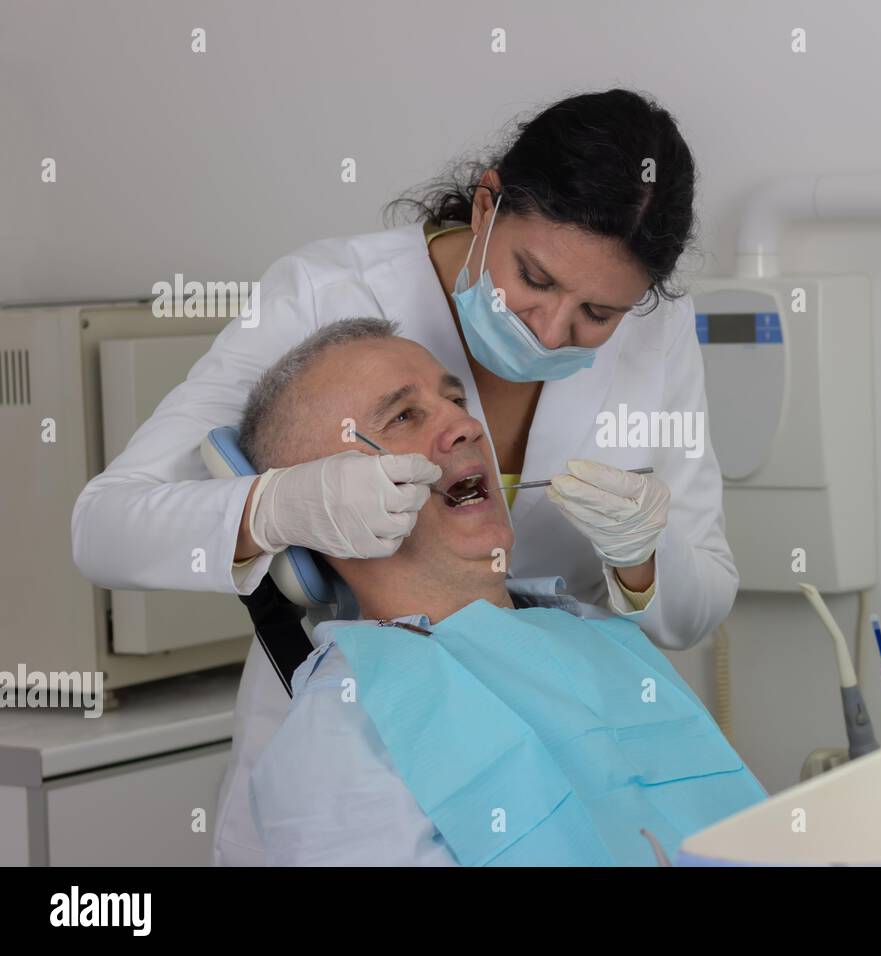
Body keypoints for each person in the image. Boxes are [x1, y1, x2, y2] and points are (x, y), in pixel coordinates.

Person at [68, 89, 738, 865]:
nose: (552, 329)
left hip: (569, 728)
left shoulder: (658, 333)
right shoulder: (331, 292)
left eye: (597, 313)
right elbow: (104, 526)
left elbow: (701, 601)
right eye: (535, 278)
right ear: (487, 203)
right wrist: (283, 506)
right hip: (386, 736)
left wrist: (644, 555)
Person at [239, 318, 764, 865]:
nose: (466, 424)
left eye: (455, 398)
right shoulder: (340, 736)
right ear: (324, 505)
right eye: (403, 416)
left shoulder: (590, 634)